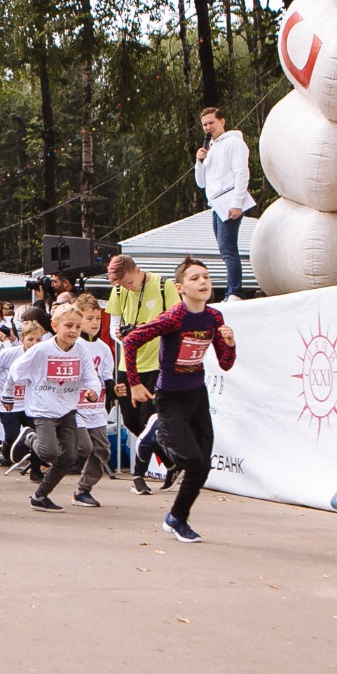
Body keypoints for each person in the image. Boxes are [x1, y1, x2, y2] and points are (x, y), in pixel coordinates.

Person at [123, 257, 237, 543]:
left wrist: (230, 344)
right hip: (171, 397)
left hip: (197, 396)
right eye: (195, 278)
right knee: (189, 458)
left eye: (206, 277)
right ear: (180, 287)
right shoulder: (174, 317)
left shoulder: (214, 318)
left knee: (202, 466)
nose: (203, 282)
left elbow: (225, 364)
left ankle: (176, 518)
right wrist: (135, 383)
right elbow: (131, 340)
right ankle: (157, 437)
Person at [6, 303, 102, 512]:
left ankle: (40, 496)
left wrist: (93, 390)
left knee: (69, 457)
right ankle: (29, 437)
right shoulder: (41, 349)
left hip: (67, 409)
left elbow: (91, 377)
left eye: (78, 326)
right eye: (69, 326)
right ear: (55, 326)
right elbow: (16, 370)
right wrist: (11, 390)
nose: (74, 331)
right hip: (43, 409)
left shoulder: (82, 350)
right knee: (49, 453)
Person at [105, 253, 181, 495]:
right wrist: (121, 333)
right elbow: (113, 324)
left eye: (129, 282)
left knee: (148, 421)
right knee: (130, 420)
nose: (128, 288)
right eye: (122, 285)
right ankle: (171, 463)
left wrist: (145, 330)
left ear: (137, 270)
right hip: (128, 363)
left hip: (156, 363)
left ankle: (138, 475)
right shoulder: (118, 291)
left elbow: (176, 320)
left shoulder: (163, 285)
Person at [195, 106, 256, 302]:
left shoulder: (233, 143)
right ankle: (232, 290)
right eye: (205, 124)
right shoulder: (210, 148)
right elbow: (201, 182)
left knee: (229, 248)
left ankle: (235, 291)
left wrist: (237, 203)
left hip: (229, 198)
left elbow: (241, 173)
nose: (208, 127)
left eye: (211, 123)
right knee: (224, 248)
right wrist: (199, 162)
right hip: (216, 202)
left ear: (222, 121)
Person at [0, 320, 45, 478]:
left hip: (29, 403)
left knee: (36, 435)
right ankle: (6, 448)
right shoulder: (9, 353)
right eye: (30, 339)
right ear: (22, 339)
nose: (34, 343)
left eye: (38, 340)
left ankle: (35, 471)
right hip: (8, 403)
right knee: (12, 435)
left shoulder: (42, 355)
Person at [71, 294, 116, 508]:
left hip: (96, 407)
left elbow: (107, 376)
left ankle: (82, 490)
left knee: (102, 450)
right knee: (83, 447)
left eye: (97, 318)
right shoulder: (73, 345)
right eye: (89, 319)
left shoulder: (104, 348)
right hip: (74, 407)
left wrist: (114, 391)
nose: (95, 323)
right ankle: (37, 441)